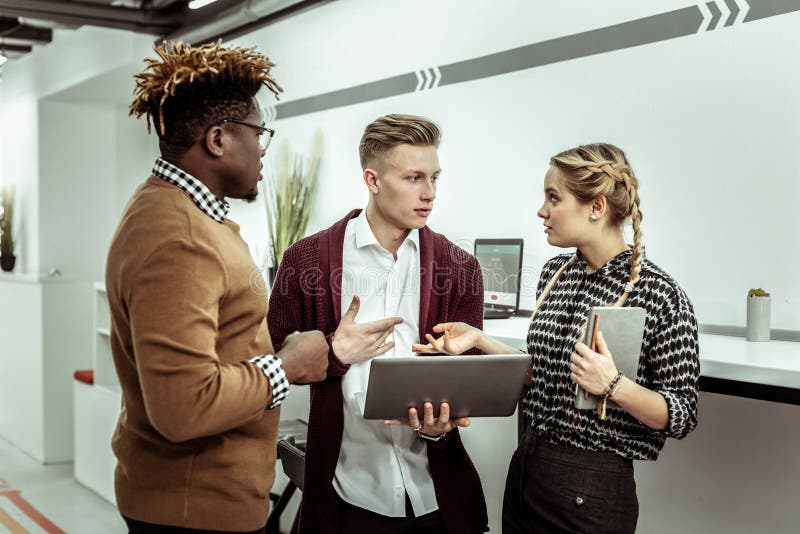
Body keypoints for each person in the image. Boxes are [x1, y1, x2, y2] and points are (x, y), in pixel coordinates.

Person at [414, 143, 700, 533]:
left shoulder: (658, 294)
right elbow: (544, 374)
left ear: (596, 207)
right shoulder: (555, 275)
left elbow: (681, 414)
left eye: (553, 198)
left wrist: (613, 386)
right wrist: (478, 338)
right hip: (528, 472)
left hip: (592, 494)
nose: (541, 211)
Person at [106, 41, 329, 534]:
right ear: (218, 139)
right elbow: (184, 406)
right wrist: (288, 366)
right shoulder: (179, 237)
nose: (262, 150)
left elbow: (217, 344)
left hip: (195, 502)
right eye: (258, 134)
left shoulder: (181, 215)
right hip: (192, 510)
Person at [267, 114, 489, 533]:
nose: (429, 193)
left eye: (435, 178)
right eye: (413, 178)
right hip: (345, 493)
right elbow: (271, 360)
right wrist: (332, 353)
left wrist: (442, 425)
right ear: (372, 180)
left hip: (434, 496)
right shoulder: (305, 261)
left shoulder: (461, 268)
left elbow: (468, 380)